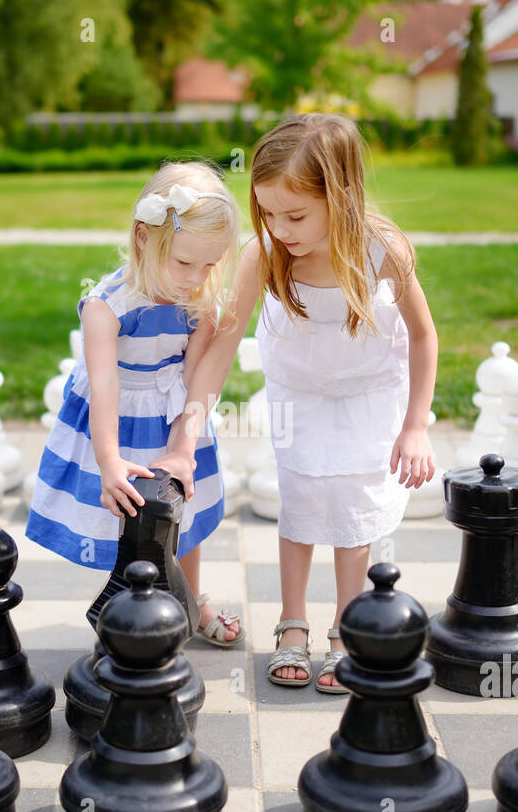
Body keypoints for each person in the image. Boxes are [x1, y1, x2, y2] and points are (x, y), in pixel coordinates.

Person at [166, 114, 438, 690]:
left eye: (295, 214)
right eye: (267, 212)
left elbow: (422, 335)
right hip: (301, 393)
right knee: (303, 491)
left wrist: (416, 425)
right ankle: (293, 622)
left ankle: (346, 624)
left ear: (340, 196)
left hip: (368, 390)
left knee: (354, 500)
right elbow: (220, 348)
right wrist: (185, 437)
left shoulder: (383, 248)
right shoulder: (265, 254)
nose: (278, 226)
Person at [25, 160, 244, 646]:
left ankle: (190, 599)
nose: (196, 277)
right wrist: (108, 460)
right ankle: (135, 609)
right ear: (145, 237)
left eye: (210, 265)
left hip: (175, 417)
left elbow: (195, 380)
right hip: (116, 425)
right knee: (125, 524)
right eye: (185, 263)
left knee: (177, 515)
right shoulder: (106, 306)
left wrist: (182, 448)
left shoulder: (200, 299)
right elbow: (104, 386)